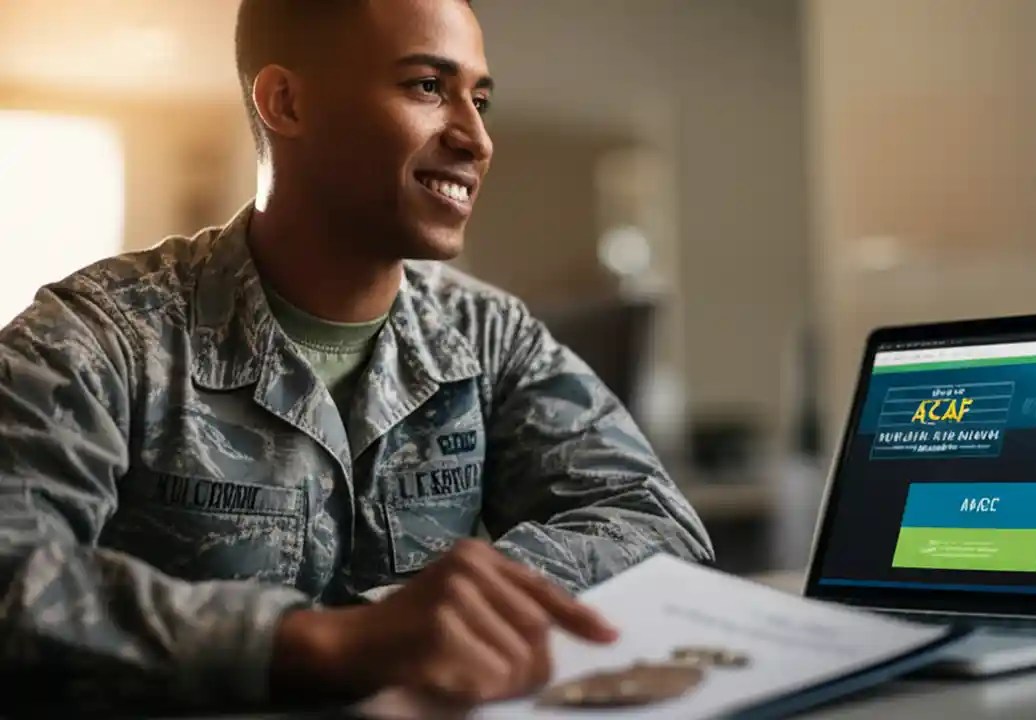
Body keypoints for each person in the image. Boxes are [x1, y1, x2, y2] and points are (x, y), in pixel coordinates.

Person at [0, 0, 713, 710]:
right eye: (428, 87)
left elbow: (659, 528)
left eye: (481, 98)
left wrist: (450, 610)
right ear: (287, 102)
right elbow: (13, 572)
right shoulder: (96, 336)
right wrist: (321, 643)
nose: (475, 137)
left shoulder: (489, 335)